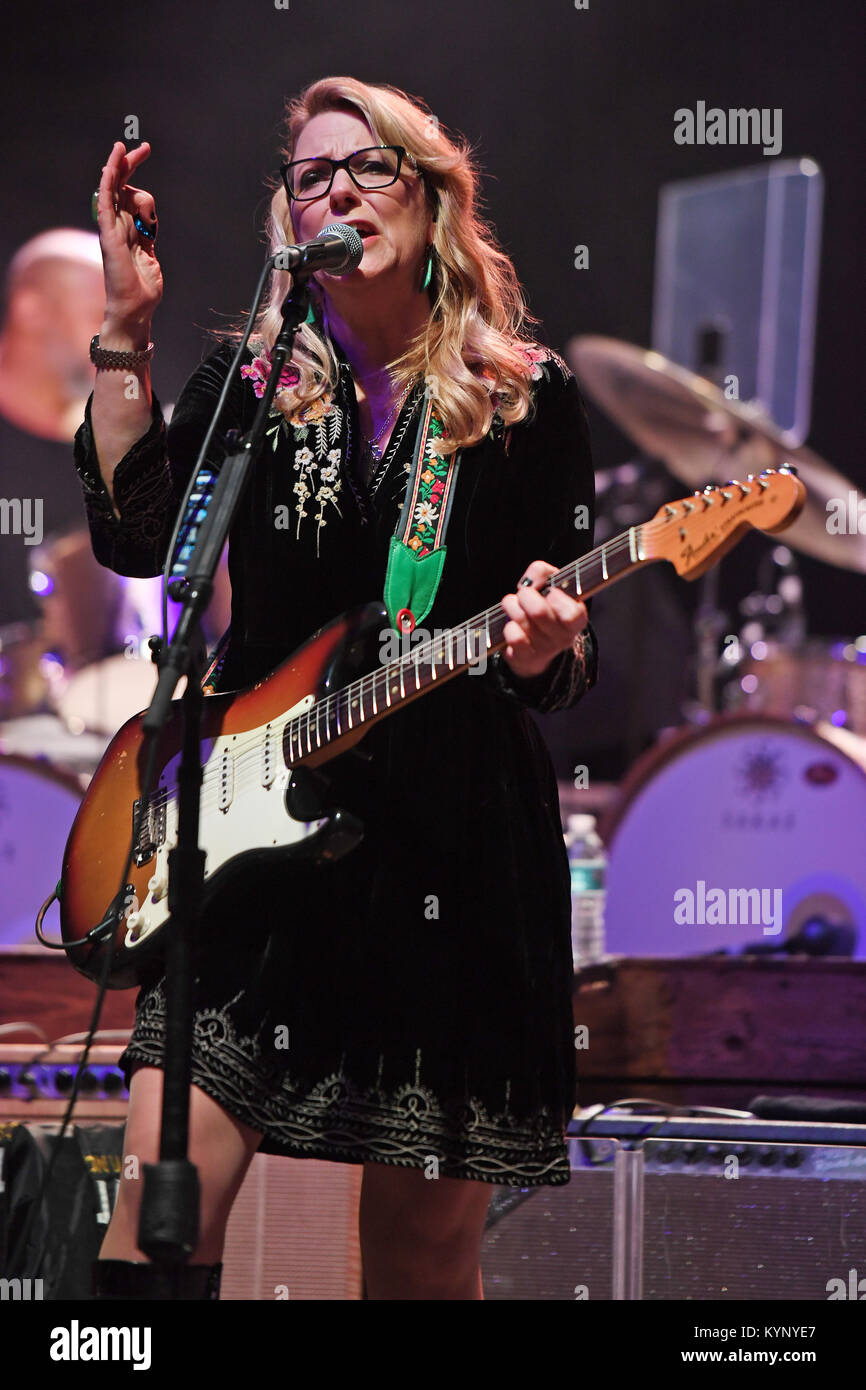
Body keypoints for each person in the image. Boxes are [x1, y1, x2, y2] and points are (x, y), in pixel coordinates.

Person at [76, 76, 598, 1302]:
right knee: (154, 1232)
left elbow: (569, 654)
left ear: (429, 197)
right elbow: (134, 531)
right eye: (311, 175)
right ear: (286, 217)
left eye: (368, 167)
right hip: (253, 844)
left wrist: (539, 648)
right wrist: (126, 327)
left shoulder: (521, 398)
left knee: (417, 1263)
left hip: (447, 854)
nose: (338, 192)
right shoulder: (249, 390)